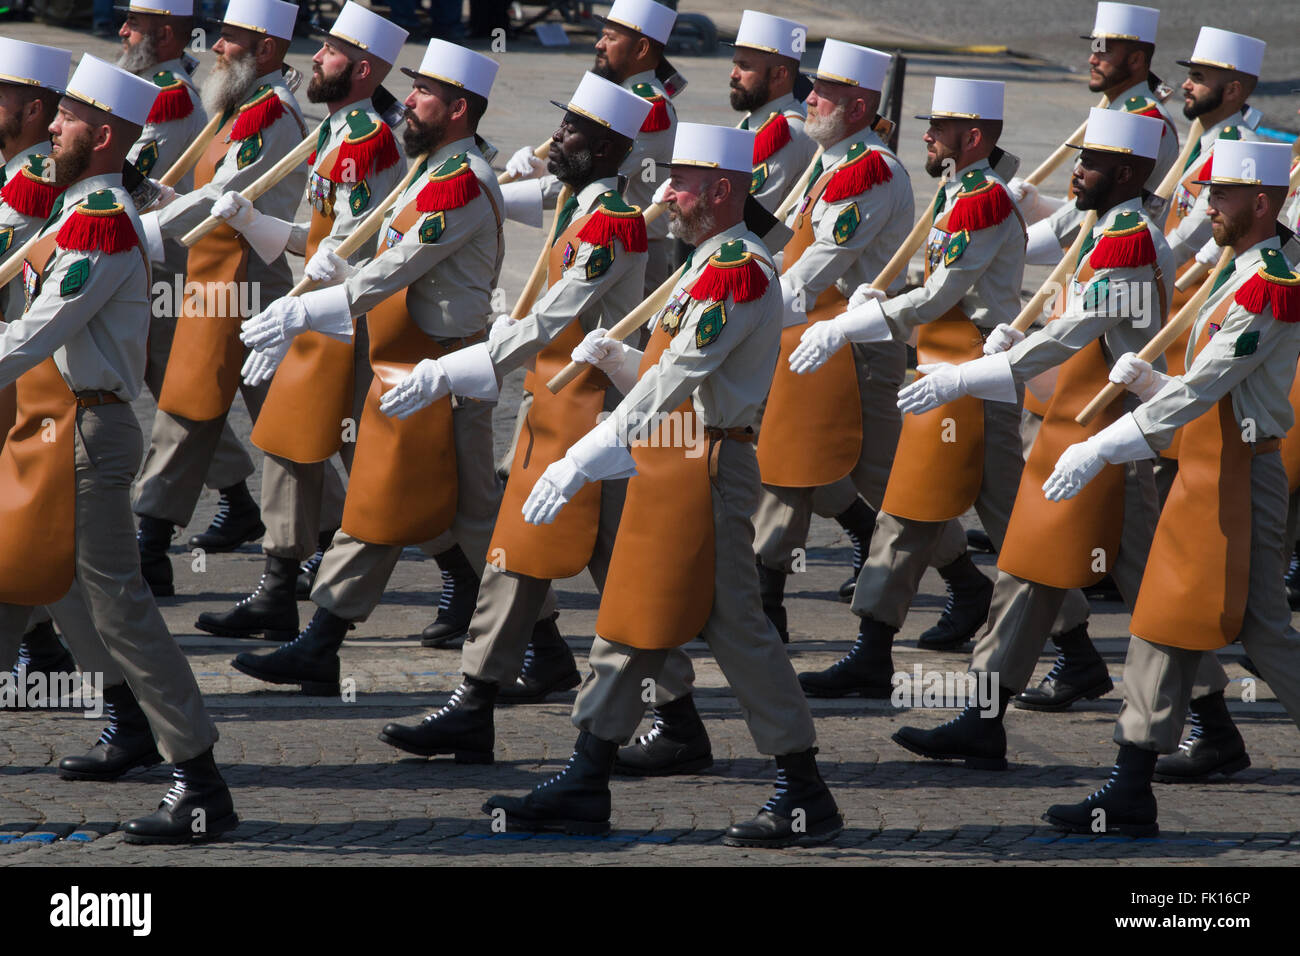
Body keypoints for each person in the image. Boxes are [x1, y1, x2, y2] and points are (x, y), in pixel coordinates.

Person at [481, 122, 842, 848]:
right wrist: (622, 365)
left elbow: (682, 378)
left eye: (680, 182)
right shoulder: (703, 263)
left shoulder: (737, 266)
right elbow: (666, 371)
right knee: (631, 615)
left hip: (706, 467)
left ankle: (805, 791)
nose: (666, 192)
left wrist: (583, 456)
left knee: (737, 628)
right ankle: (587, 777)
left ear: (720, 190)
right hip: (672, 459)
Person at [373, 74, 652, 752]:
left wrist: (455, 367)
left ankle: (674, 713)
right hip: (557, 406)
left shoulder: (610, 223)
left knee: (624, 574)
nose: (557, 137)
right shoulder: (578, 202)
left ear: (607, 147)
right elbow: (502, 198)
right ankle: (475, 703)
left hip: (600, 419)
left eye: (573, 130)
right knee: (518, 553)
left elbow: (548, 323)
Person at [886, 108, 1172, 769]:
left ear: (1126, 172)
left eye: (1092, 162)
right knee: (1024, 574)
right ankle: (984, 719)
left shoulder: (1129, 241)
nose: (1077, 168)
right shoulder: (1102, 224)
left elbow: (1072, 336)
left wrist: (967, 377)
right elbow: (1062, 307)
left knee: (1155, 598)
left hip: (1111, 442)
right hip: (1071, 434)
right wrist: (1022, 327)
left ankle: (1209, 719)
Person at [0, 54, 235, 844]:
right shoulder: (76, 207)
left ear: (102, 134)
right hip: (49, 424)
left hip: (86, 432)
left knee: (122, 609)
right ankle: (131, 722)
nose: (51, 125)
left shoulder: (99, 216)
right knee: (28, 582)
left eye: (64, 117)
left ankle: (200, 781)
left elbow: (45, 329)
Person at [1040, 140, 1300, 836]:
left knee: (1263, 633)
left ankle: (1133, 785)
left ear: (1263, 204)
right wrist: (1153, 382)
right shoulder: (1232, 272)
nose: (1207, 205)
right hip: (1207, 468)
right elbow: (1200, 389)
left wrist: (1100, 445)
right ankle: (1130, 787)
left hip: (1240, 475)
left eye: (1222, 195)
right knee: (1164, 619)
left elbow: (1206, 391)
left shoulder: (1268, 285)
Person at [229, 40, 506, 694]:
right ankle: (530, 638)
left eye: (423, 93)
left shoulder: (460, 182)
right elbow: (369, 253)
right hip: (409, 359)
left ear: (458, 109)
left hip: (443, 369)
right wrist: (273, 231)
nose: (406, 100)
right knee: (445, 512)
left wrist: (308, 310)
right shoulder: (429, 168)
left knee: (426, 509)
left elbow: (398, 267)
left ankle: (321, 641)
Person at [787, 76, 1031, 705]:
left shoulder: (984, 201)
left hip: (975, 373)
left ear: (971, 137)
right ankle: (873, 651)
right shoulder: (959, 191)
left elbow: (943, 297)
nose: (924, 133)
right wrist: (882, 297)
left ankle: (1077, 647)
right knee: (904, 509)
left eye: (939, 127)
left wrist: (858, 320)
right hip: (940, 369)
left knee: (1019, 531)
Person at [192, 1, 409, 646]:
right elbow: (320, 239)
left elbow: (352, 250)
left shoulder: (366, 141)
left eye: (332, 52)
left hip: (343, 318)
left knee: (371, 456)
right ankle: (278, 588)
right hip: (312, 310)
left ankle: (469, 570)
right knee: (291, 443)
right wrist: (258, 223)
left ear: (363, 68)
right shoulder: (336, 131)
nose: (315, 58)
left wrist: (296, 305)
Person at [134, 0, 315, 601]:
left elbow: (223, 193)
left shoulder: (269, 113)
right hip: (216, 273)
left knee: (277, 422)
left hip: (249, 280)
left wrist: (144, 231)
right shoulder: (235, 104)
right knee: (196, 404)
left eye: (232, 39)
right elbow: (199, 187)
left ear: (264, 50)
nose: (216, 47)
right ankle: (153, 545)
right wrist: (154, 197)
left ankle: (345, 536)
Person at [117, 0, 266, 563]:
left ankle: (286, 519)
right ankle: (239, 502)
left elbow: (139, 177)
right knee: (179, 383)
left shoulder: (168, 96)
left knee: (180, 380)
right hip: (163, 246)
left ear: (166, 34)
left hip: (170, 255)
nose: (123, 31)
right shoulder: (150, 85)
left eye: (134, 24)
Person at [502, 0, 680, 296]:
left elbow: (595, 173)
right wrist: (540, 168)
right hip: (591, 239)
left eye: (610, 38)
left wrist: (496, 196)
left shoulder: (650, 108)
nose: (598, 44)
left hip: (631, 252)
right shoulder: (618, 94)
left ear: (642, 49)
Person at [1013, 2, 1178, 251]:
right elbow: (1090, 204)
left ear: (1135, 59)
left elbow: (1105, 201)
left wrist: (1018, 244)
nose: (1092, 60)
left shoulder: (1142, 119)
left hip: (1120, 255)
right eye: (1094, 49)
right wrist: (1036, 205)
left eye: (1104, 52)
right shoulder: (1117, 110)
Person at [728, 11, 818, 215]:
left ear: (779, 75)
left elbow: (744, 214)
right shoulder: (756, 120)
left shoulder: (787, 131)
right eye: (735, 64)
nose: (733, 75)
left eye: (744, 66)